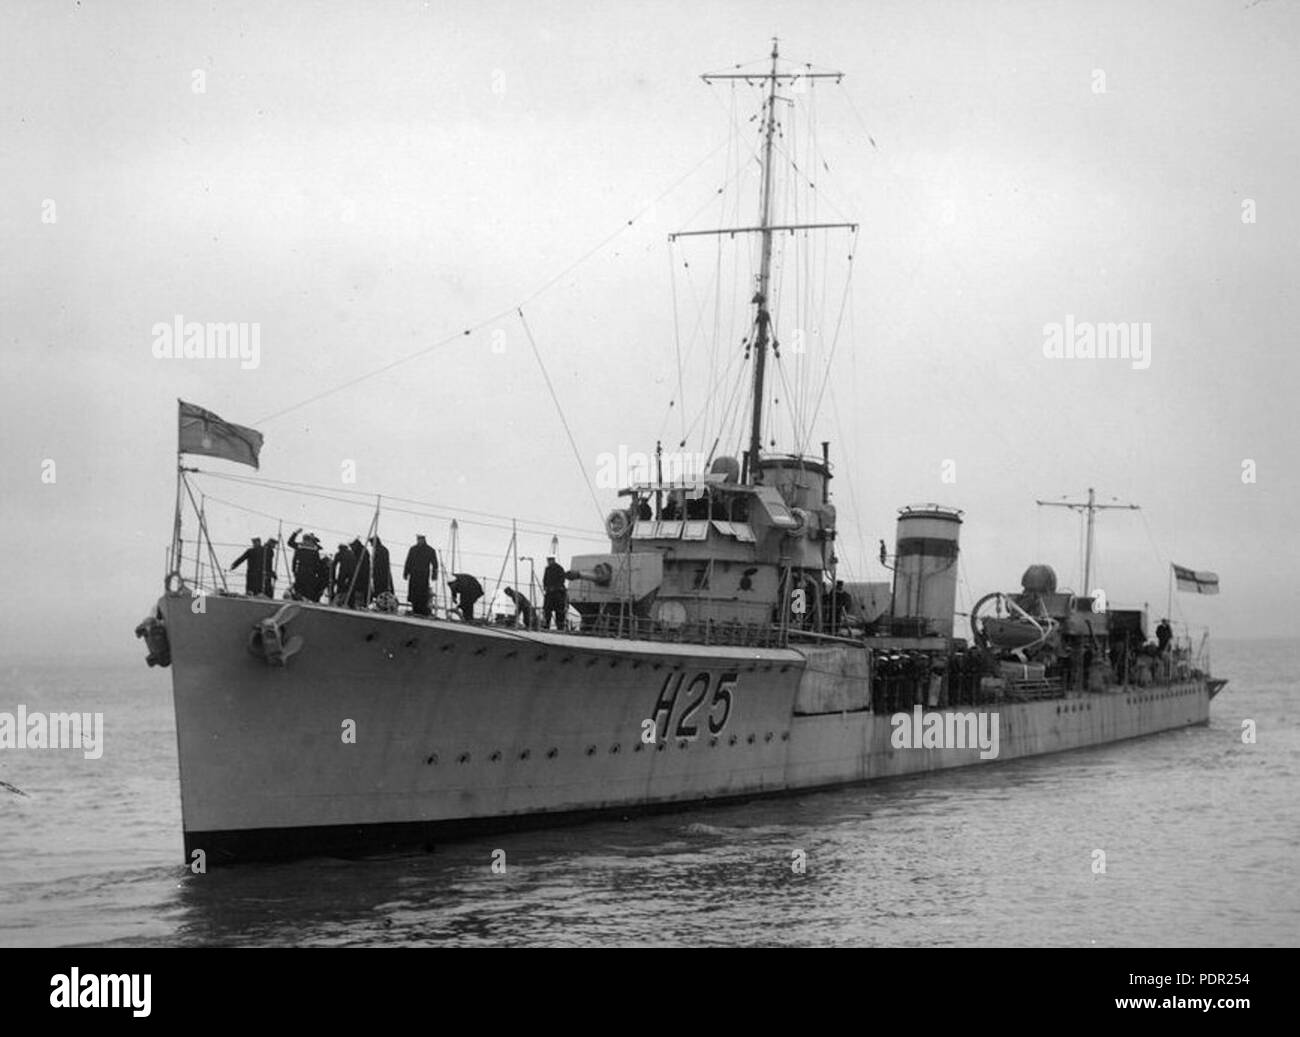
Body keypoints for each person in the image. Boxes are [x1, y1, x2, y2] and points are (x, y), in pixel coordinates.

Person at [404, 534, 438, 616]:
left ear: (424, 539)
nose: (419, 540)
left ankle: (422, 610)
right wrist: (406, 572)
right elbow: (408, 561)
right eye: (418, 539)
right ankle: (414, 609)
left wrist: (434, 575)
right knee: (413, 592)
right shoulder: (413, 549)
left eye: (420, 539)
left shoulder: (430, 550)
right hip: (414, 574)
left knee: (422, 593)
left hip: (424, 575)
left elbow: (435, 564)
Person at [287, 529, 323, 600]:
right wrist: (318, 574)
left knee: (299, 589)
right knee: (308, 590)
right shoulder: (314, 549)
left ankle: (299, 599)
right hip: (311, 572)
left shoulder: (299, 546)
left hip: (300, 570)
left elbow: (290, 543)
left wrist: (295, 533)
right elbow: (317, 563)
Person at [542, 556, 568, 630]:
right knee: (547, 610)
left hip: (558, 593)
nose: (549, 562)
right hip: (549, 593)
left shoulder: (559, 568)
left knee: (559, 611)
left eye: (550, 560)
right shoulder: (547, 569)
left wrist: (555, 587)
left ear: (553, 560)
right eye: (548, 560)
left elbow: (561, 580)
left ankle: (560, 627)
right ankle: (546, 625)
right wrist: (546, 587)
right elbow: (545, 579)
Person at [348, 537, 371, 608]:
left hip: (359, 575)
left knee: (357, 590)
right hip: (362, 576)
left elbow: (358, 565)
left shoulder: (360, 552)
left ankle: (356, 604)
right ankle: (361, 604)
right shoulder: (363, 551)